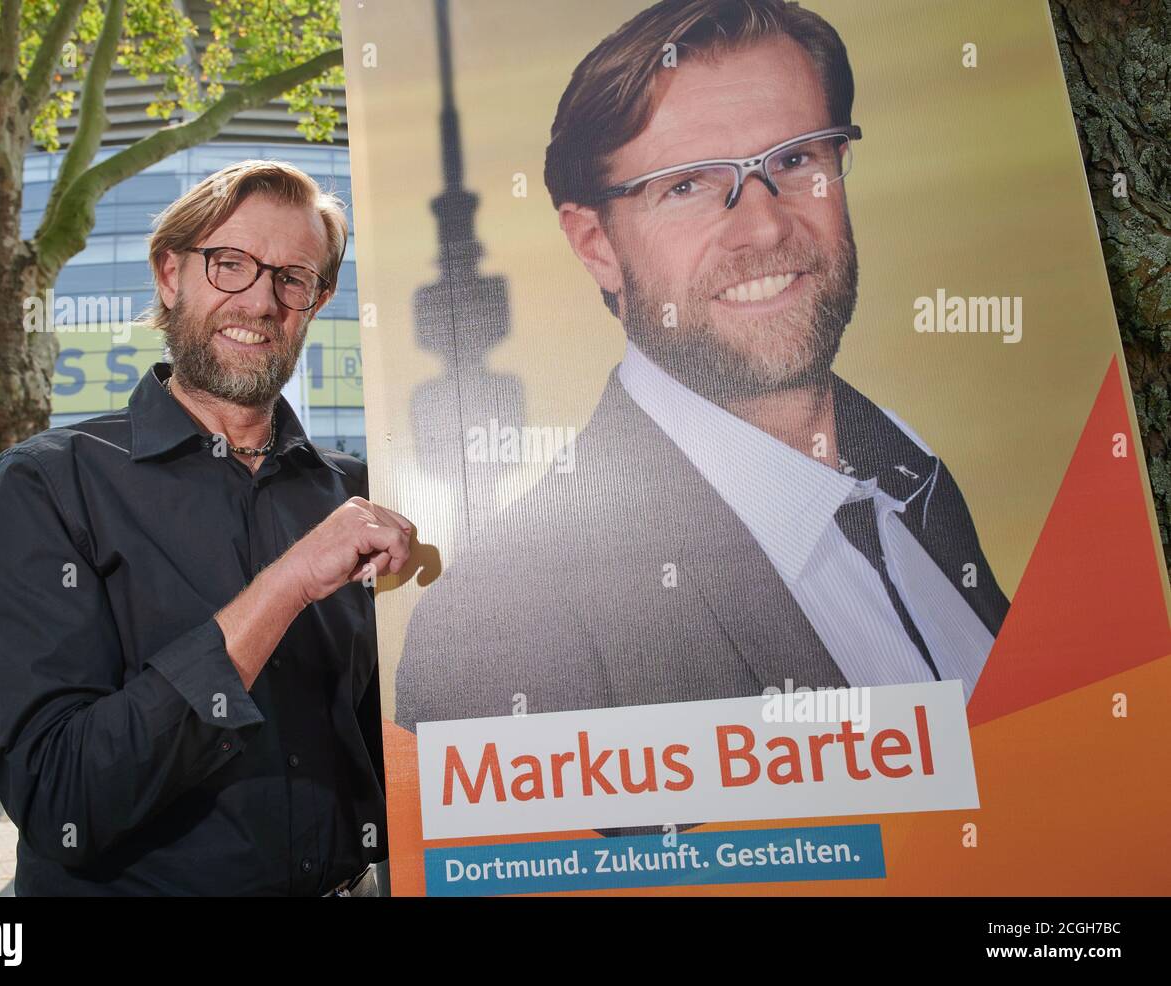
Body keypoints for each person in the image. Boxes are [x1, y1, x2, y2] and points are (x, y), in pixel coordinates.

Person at [396, 0, 1007, 729]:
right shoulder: (499, 631)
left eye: (795, 158)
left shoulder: (917, 489)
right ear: (596, 245)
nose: (765, 225)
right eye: (686, 185)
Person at [0, 160, 413, 895]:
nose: (260, 300)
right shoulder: (53, 482)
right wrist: (285, 586)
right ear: (169, 273)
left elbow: (389, 741)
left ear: (318, 299)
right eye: (230, 264)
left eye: (292, 277)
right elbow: (59, 795)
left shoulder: (355, 493)